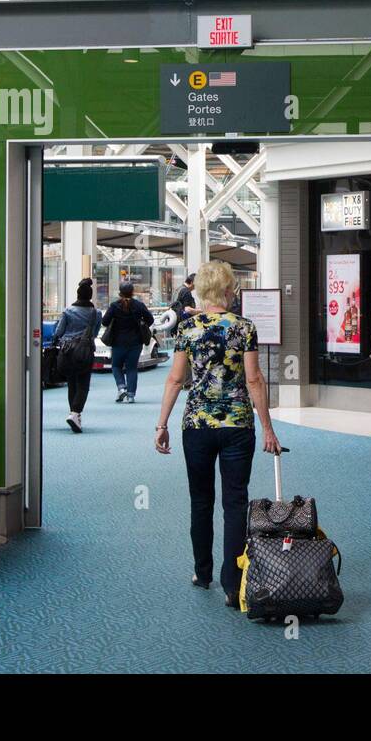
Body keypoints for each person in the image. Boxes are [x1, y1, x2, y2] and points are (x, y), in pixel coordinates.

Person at [154, 261, 281, 609]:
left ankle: (202, 571)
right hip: (238, 426)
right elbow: (254, 379)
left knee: (201, 500)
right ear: (227, 290)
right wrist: (268, 428)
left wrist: (161, 424)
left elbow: (176, 380)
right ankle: (232, 582)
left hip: (197, 426)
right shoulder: (244, 327)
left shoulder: (188, 329)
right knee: (235, 502)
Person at [53, 278, 102, 433]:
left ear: (78, 294)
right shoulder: (96, 313)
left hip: (66, 351)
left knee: (72, 383)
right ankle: (75, 413)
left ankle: (73, 413)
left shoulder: (68, 311)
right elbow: (94, 333)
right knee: (83, 384)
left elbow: (58, 332)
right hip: (85, 351)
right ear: (90, 296)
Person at [102, 281, 155, 403]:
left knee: (116, 366)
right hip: (136, 342)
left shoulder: (114, 306)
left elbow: (104, 322)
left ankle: (121, 387)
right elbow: (150, 320)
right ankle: (130, 396)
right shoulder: (139, 305)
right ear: (132, 292)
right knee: (132, 368)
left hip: (118, 342)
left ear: (120, 293)